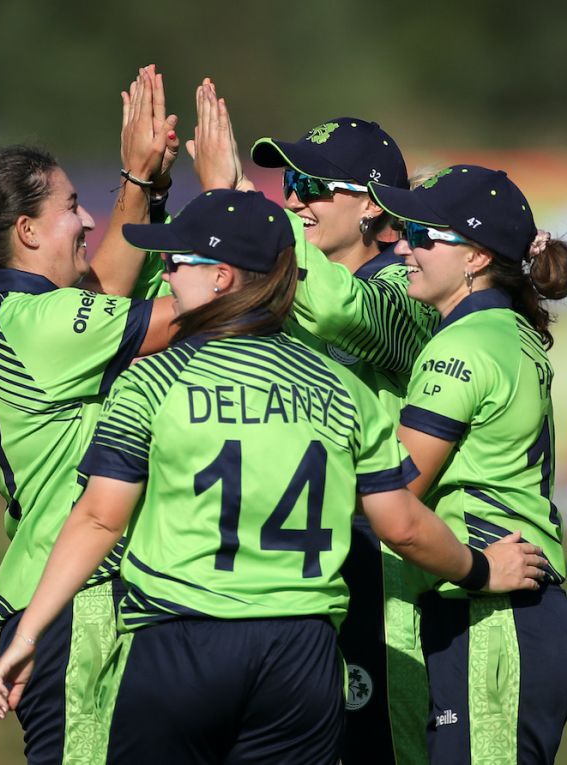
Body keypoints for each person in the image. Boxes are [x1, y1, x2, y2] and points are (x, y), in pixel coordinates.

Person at [0, 189, 547, 765]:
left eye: (178, 262)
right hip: (302, 660)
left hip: (182, 641)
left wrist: (29, 634)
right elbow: (402, 523)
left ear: (223, 277)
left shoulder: (154, 382)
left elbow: (100, 517)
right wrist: (479, 568)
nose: (167, 275)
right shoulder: (340, 388)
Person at [0, 68, 179, 765]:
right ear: (26, 229)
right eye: (72, 206)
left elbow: (109, 280)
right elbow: (196, 305)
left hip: (44, 591)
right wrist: (245, 225)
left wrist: (140, 180)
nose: (88, 220)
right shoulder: (51, 323)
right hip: (78, 599)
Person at [187, 80, 439, 764]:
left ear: (371, 207)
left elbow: (345, 311)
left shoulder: (407, 295)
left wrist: (242, 200)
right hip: (291, 577)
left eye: (310, 183)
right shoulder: (291, 292)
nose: (291, 197)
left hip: (375, 573)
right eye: (287, 181)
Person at [369, 165, 567, 764]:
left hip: (493, 612)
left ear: (475, 258)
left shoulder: (462, 344)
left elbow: (391, 493)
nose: (405, 246)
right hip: (508, 612)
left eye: (424, 234)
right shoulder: (506, 329)